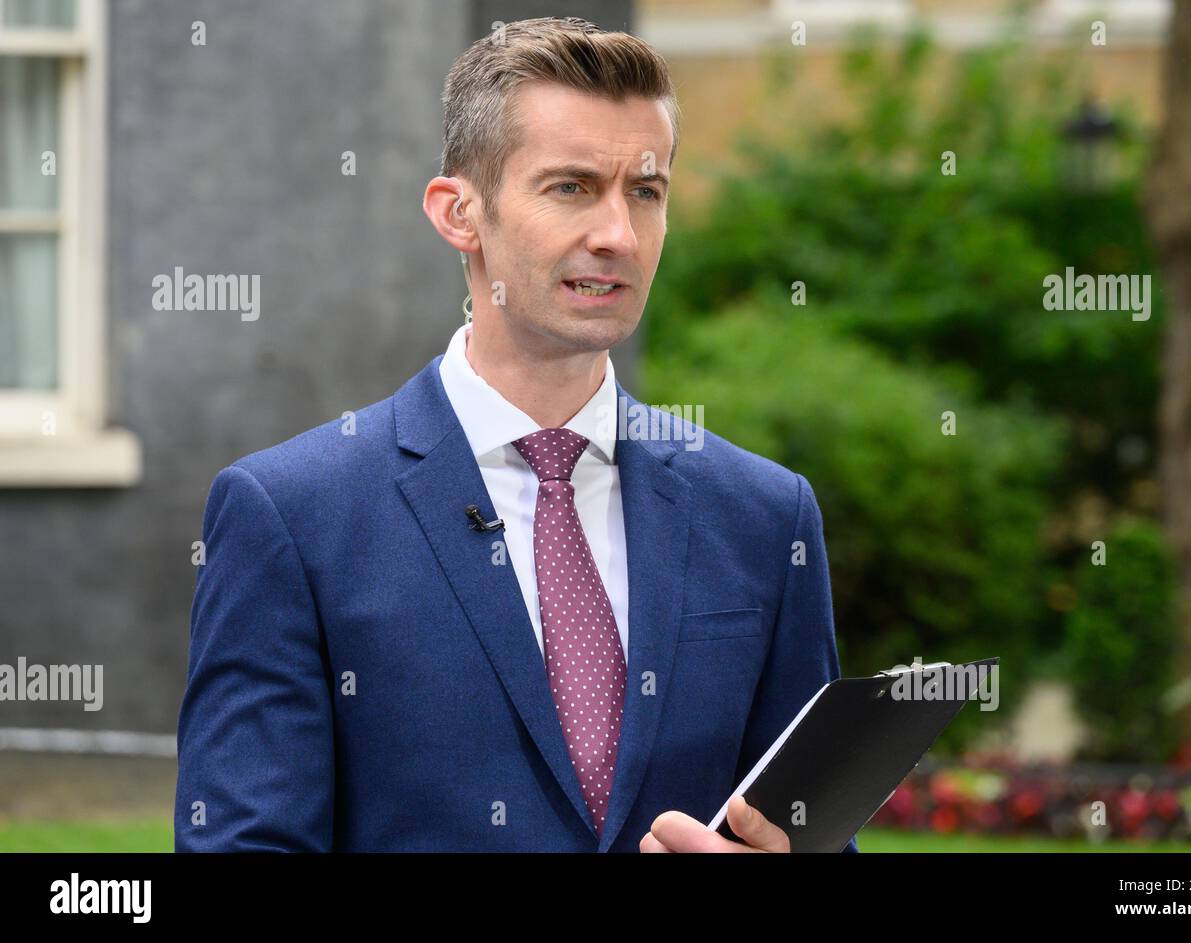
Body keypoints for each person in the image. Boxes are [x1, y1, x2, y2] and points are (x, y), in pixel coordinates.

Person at [175, 15, 855, 854]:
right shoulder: (292, 516)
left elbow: (811, 833)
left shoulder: (764, 514)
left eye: (646, 191)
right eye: (570, 187)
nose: (617, 233)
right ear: (459, 213)